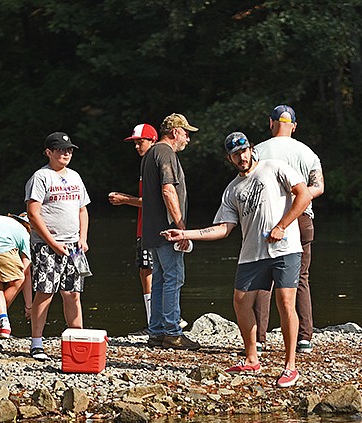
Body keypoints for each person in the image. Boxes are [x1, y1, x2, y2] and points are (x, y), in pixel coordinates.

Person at [163, 132, 310, 388]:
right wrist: (186, 234)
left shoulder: (273, 167)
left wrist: (283, 226)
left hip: (285, 249)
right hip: (252, 254)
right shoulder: (233, 189)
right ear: (229, 158)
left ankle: (290, 365)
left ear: (251, 149)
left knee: (285, 301)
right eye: (235, 154)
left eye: (244, 151)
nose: (241, 157)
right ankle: (252, 357)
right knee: (241, 301)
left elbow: (304, 195)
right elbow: (223, 228)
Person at [251, 104, 324, 353]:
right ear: (294, 126)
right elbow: (318, 187)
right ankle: (304, 337)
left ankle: (259, 339)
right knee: (300, 277)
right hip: (301, 218)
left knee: (263, 278)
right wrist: (298, 198)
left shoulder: (257, 151)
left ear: (270, 123)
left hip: (267, 219)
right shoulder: (308, 153)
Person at [24, 131, 91, 362]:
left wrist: (83, 238)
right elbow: (33, 214)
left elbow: (83, 209)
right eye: (61, 150)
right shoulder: (40, 177)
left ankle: (78, 339)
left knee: (73, 293)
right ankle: (36, 342)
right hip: (46, 245)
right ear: (49, 152)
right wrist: (53, 243)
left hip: (74, 246)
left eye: (69, 150)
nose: (66, 154)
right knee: (45, 292)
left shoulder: (75, 177)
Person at [140, 113, 200, 350]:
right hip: (167, 229)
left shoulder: (150, 153)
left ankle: (156, 332)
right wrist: (180, 225)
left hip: (153, 229)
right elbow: (168, 190)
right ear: (175, 132)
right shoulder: (165, 153)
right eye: (186, 133)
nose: (188, 138)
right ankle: (173, 331)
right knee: (174, 278)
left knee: (161, 280)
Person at [108, 123, 159, 333]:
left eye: (141, 142)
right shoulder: (145, 164)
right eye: (135, 143)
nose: (137, 146)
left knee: (150, 272)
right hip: (143, 227)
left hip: (151, 228)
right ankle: (154, 320)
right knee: (144, 271)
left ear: (153, 141)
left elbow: (152, 200)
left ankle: (155, 322)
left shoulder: (154, 164)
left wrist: (124, 199)